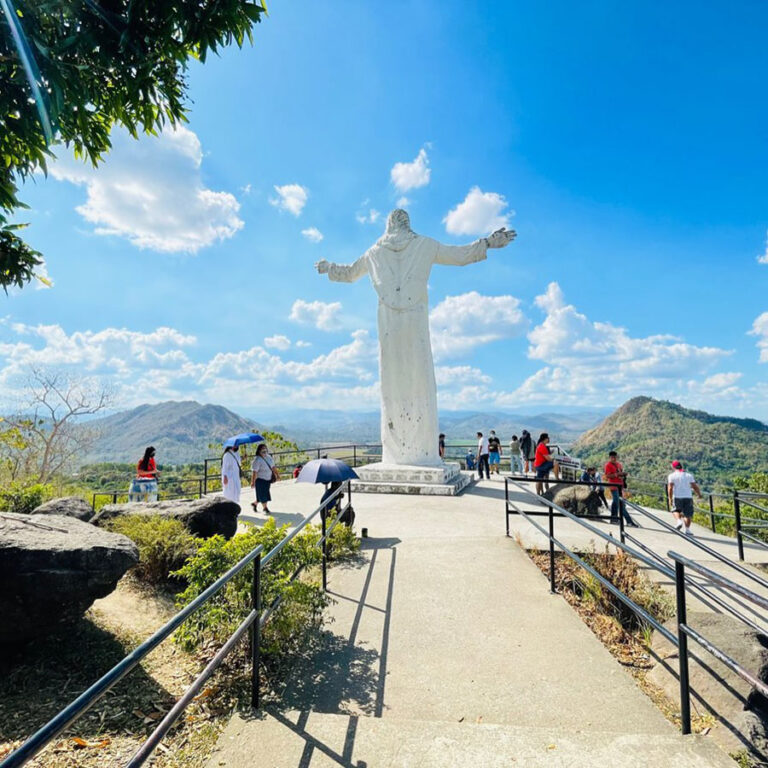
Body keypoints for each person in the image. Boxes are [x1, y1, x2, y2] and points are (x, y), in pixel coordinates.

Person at [667, 460, 702, 536]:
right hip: (688, 496)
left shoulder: (672, 476)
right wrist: (699, 494)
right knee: (687, 514)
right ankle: (688, 530)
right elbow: (694, 486)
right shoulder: (689, 475)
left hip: (677, 496)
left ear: (673, 467)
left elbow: (670, 488)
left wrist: (669, 498)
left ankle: (679, 521)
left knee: (675, 510)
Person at [604, 450, 636, 527]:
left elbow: (620, 473)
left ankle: (613, 519)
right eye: (612, 457)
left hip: (620, 486)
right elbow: (607, 476)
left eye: (614, 457)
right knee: (620, 504)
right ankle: (629, 521)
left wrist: (623, 475)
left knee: (615, 503)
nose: (613, 459)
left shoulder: (619, 464)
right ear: (610, 458)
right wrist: (617, 474)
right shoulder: (608, 465)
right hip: (614, 487)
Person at [251, 443, 276, 514]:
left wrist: (277, 474)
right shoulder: (257, 460)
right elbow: (254, 472)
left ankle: (255, 504)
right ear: (259, 451)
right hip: (260, 480)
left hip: (268, 479)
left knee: (264, 494)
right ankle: (265, 508)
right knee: (263, 495)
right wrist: (253, 481)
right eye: (262, 450)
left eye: (265, 449)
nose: (264, 451)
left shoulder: (269, 457)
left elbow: (273, 466)